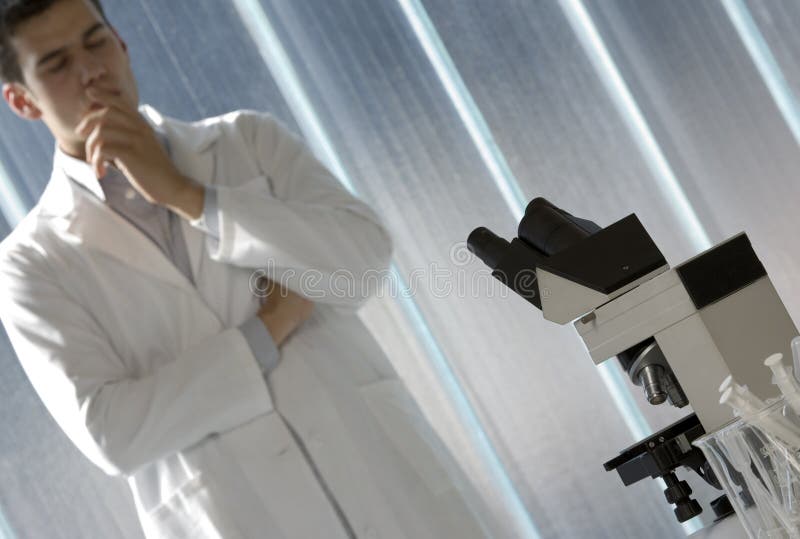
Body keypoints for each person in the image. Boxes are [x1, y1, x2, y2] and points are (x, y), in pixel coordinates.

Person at [0, 0, 489, 537]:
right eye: (57, 64)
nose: (91, 70)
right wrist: (266, 329)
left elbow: (363, 264)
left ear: (123, 44)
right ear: (22, 100)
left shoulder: (247, 143)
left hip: (399, 496)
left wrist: (190, 196)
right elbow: (113, 433)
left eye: (96, 42)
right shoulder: (30, 266)